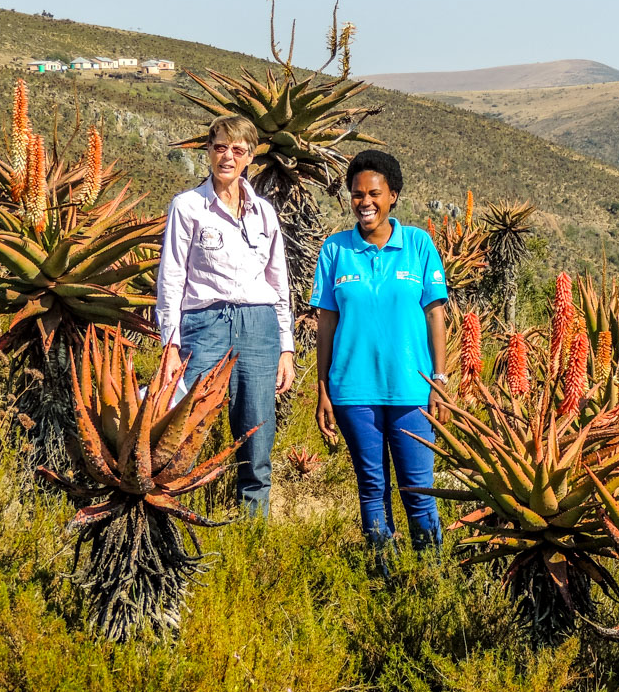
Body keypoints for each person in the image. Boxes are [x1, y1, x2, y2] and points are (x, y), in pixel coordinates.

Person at [156, 115, 295, 517]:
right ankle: (173, 518)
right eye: (220, 147)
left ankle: (251, 533)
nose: (227, 157)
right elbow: (171, 278)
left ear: (250, 156)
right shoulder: (188, 206)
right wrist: (170, 344)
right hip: (205, 324)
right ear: (209, 151)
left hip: (260, 326)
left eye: (237, 150)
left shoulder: (264, 213)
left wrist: (285, 348)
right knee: (182, 424)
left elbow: (278, 283)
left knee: (257, 432)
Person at [311, 150, 450, 549]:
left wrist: (439, 380)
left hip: (413, 390)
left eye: (375, 193)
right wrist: (323, 391)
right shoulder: (335, 250)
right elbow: (326, 325)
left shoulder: (419, 245)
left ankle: (429, 580)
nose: (365, 202)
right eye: (357, 194)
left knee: (419, 493)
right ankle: (383, 577)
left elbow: (435, 315)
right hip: (353, 394)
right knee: (372, 490)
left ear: (393, 196)